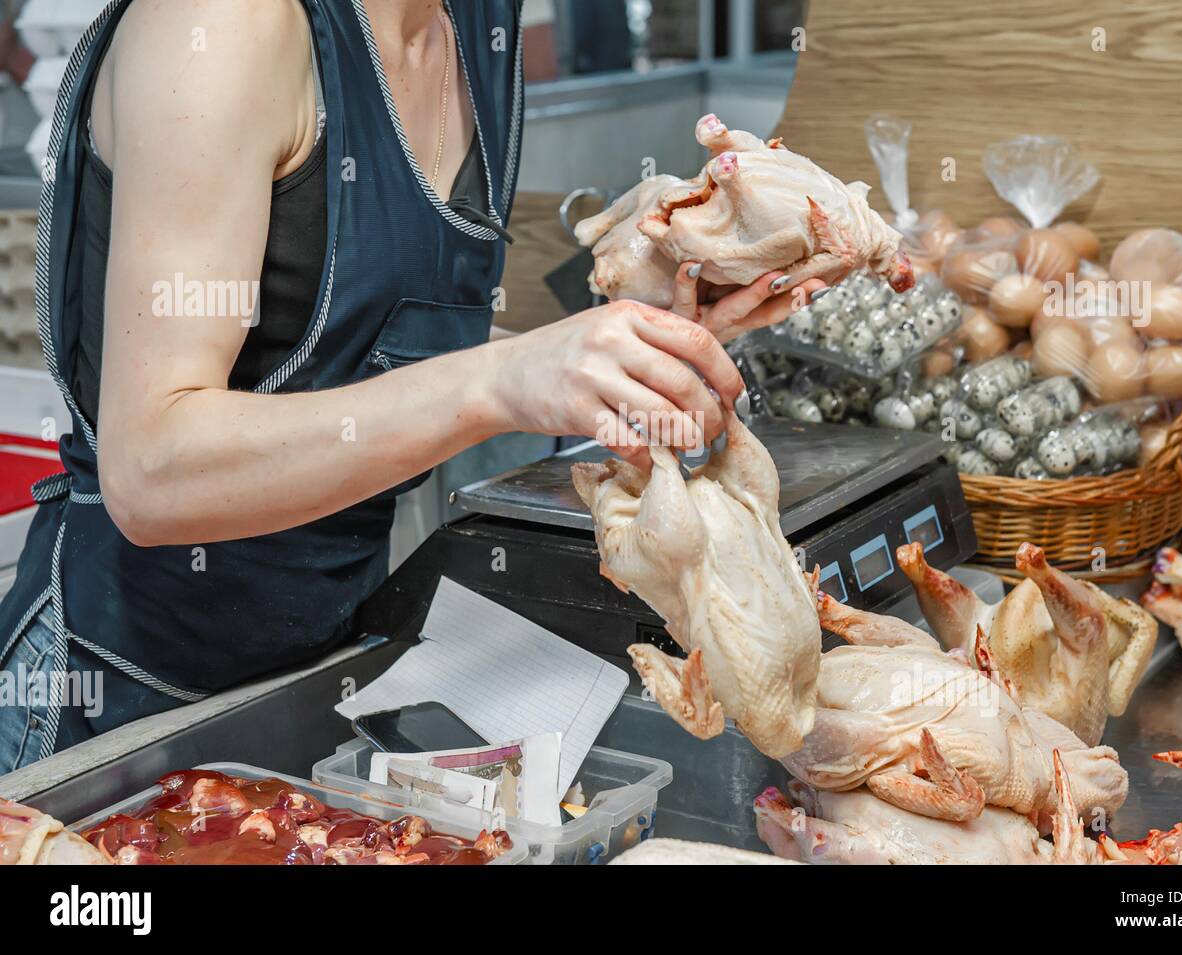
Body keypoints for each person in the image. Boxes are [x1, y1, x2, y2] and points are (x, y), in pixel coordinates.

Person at [0, 0, 824, 772]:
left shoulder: (474, 30)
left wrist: (620, 353)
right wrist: (508, 378)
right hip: (117, 713)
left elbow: (376, 347)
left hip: (324, 680)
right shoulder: (223, 27)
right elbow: (151, 469)